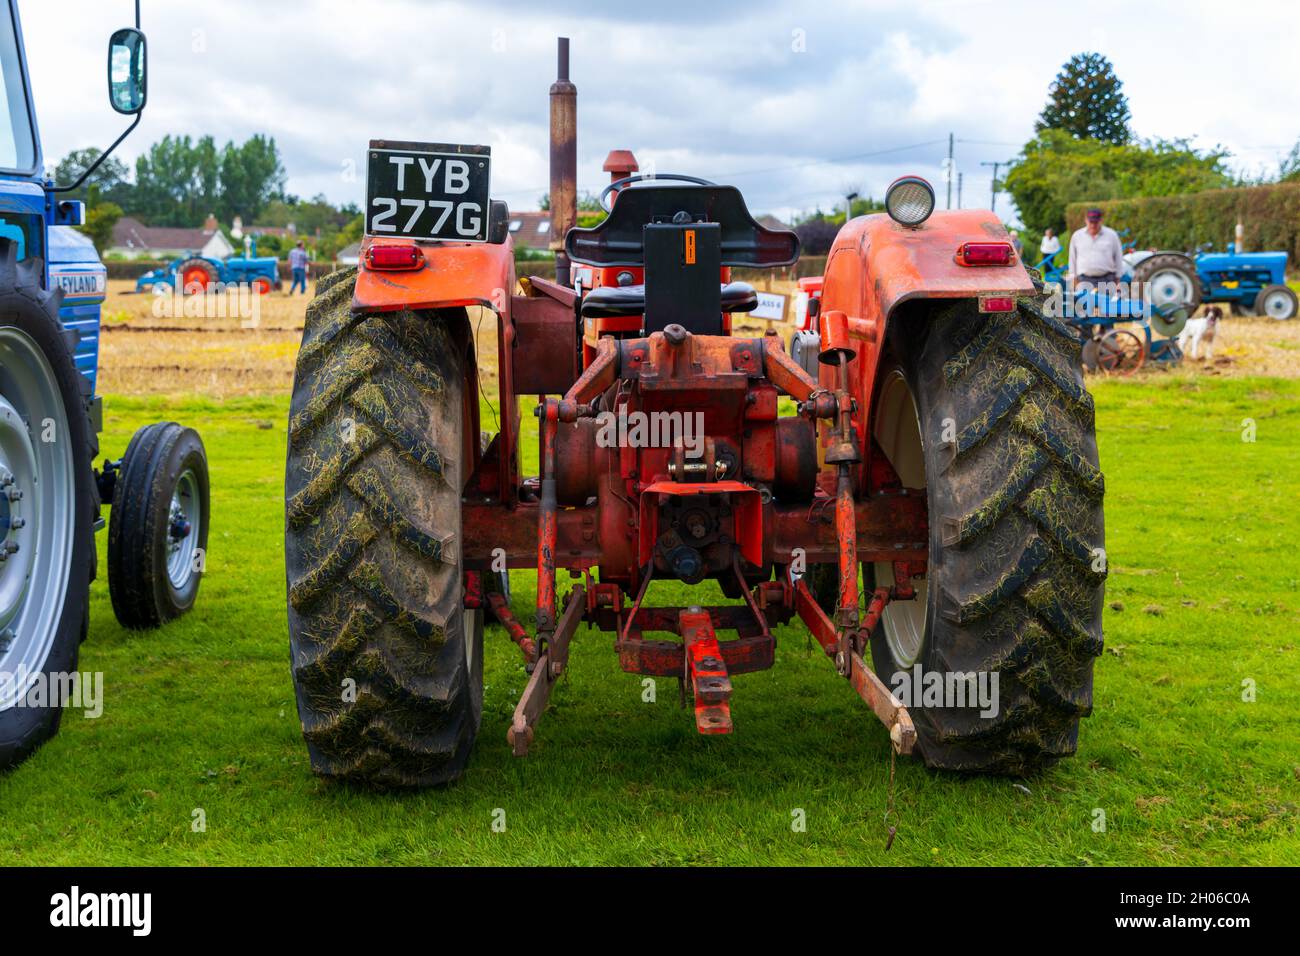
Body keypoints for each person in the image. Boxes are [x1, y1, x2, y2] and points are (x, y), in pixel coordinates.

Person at [1068, 209, 1124, 290]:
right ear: (1086, 220)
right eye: (1091, 222)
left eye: (1096, 222)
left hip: (1107, 279)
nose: (1093, 225)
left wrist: (1118, 280)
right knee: (1083, 302)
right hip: (1084, 280)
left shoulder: (1112, 235)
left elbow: (1118, 258)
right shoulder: (1077, 236)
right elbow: (1072, 260)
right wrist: (1074, 280)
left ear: (1101, 220)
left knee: (1107, 302)